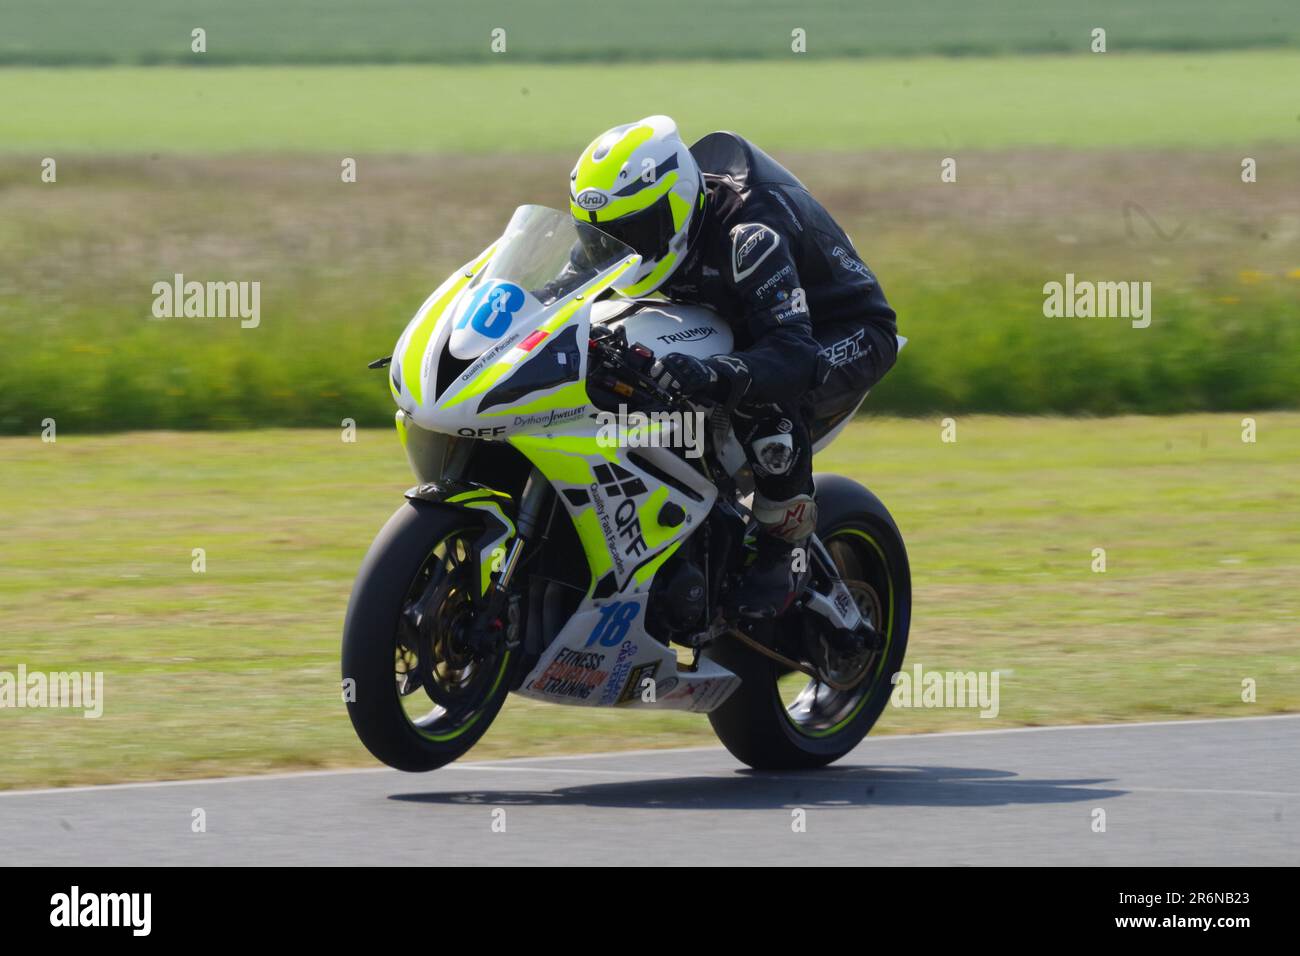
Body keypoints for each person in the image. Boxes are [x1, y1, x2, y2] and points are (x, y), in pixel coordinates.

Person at [567, 115, 898, 619]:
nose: (619, 247)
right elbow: (559, 292)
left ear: (674, 208)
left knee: (760, 397)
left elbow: (791, 353)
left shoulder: (750, 236)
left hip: (840, 330)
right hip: (741, 319)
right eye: (603, 235)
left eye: (633, 232)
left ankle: (784, 544)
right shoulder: (622, 225)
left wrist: (721, 373)